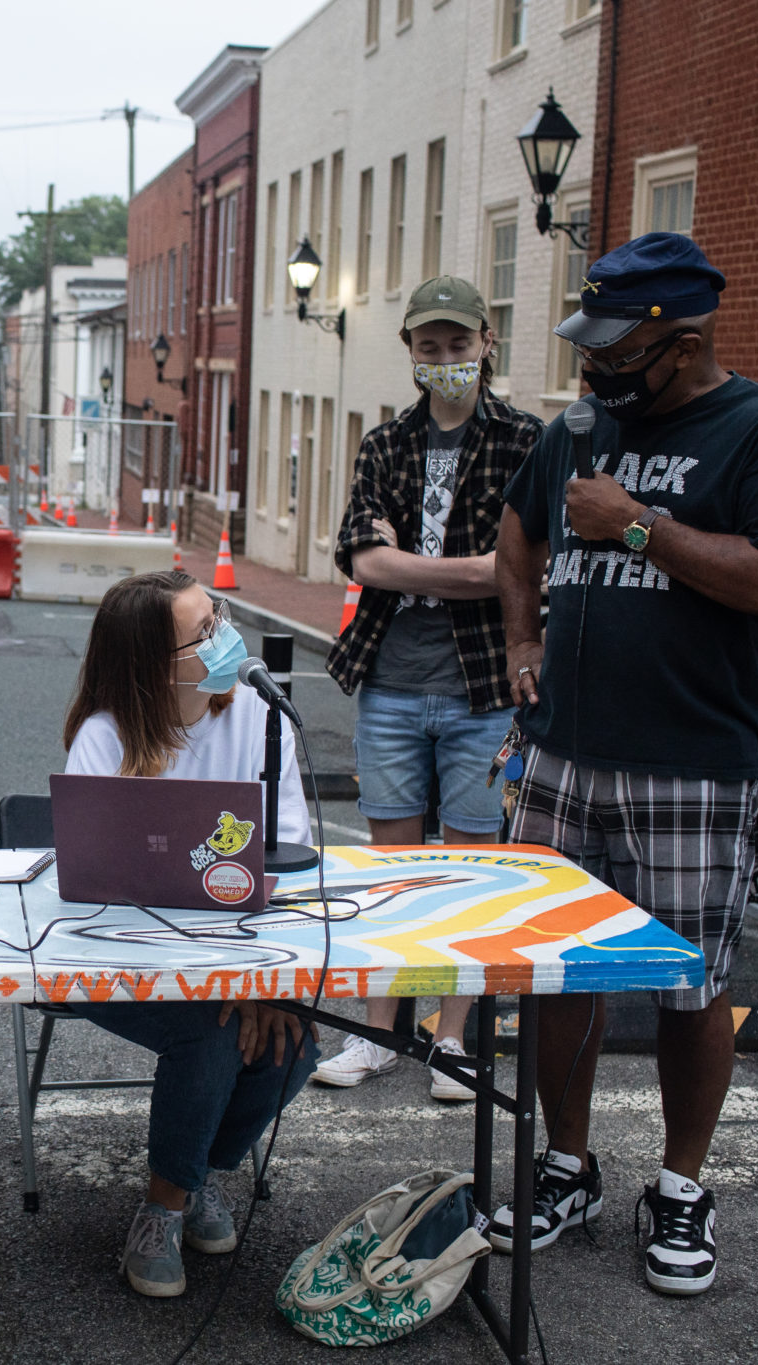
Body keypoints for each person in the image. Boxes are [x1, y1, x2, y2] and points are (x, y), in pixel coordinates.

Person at [492, 234, 758, 1296]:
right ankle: (566, 1164)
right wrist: (520, 643)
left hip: (688, 763)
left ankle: (680, 1186)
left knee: (688, 988)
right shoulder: (578, 431)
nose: (590, 368)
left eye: (610, 347)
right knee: (556, 974)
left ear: (677, 345)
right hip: (559, 757)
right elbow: (514, 538)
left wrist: (636, 527)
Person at [60, 569, 319, 1298]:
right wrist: (230, 986)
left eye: (220, 618)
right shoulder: (104, 739)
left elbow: (290, 863)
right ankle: (164, 1208)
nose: (223, 637)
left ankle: (195, 1171)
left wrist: (262, 985)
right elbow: (95, 893)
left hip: (239, 961)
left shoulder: (262, 719)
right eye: (202, 632)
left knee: (293, 1041)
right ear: (152, 665)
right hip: (121, 963)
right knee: (212, 1032)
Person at [318, 277, 544, 1100]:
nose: (444, 359)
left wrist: (414, 564)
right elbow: (362, 560)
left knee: (468, 867)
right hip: (390, 683)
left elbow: (520, 568)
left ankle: (451, 1038)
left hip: (484, 686)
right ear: (409, 352)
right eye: (428, 345)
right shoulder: (384, 445)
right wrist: (473, 570)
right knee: (392, 868)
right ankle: (381, 1032)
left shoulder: (526, 441)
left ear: (488, 342)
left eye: (458, 344)